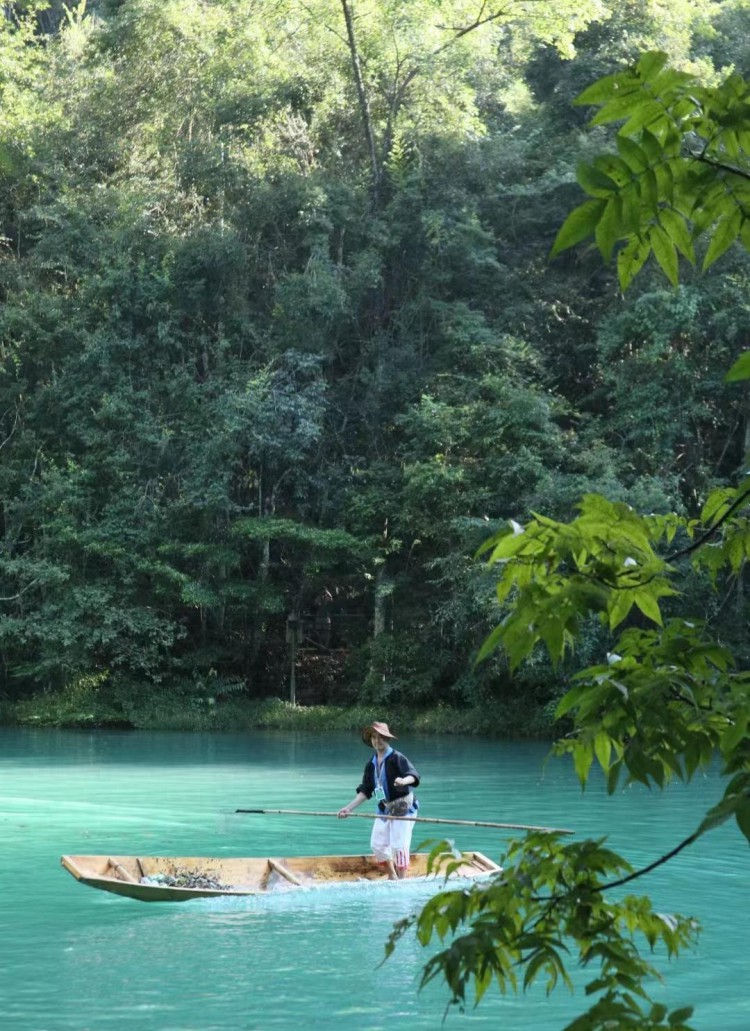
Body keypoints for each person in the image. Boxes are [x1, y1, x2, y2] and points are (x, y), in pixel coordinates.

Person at [337, 720, 420, 880]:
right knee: (377, 845)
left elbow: (413, 775)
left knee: (399, 846)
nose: (377, 740)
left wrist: (404, 781)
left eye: (381, 737)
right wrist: (348, 808)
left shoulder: (397, 758)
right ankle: (392, 876)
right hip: (384, 808)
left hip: (403, 809)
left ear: (387, 739)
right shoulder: (371, 764)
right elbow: (365, 791)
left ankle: (402, 881)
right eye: (374, 737)